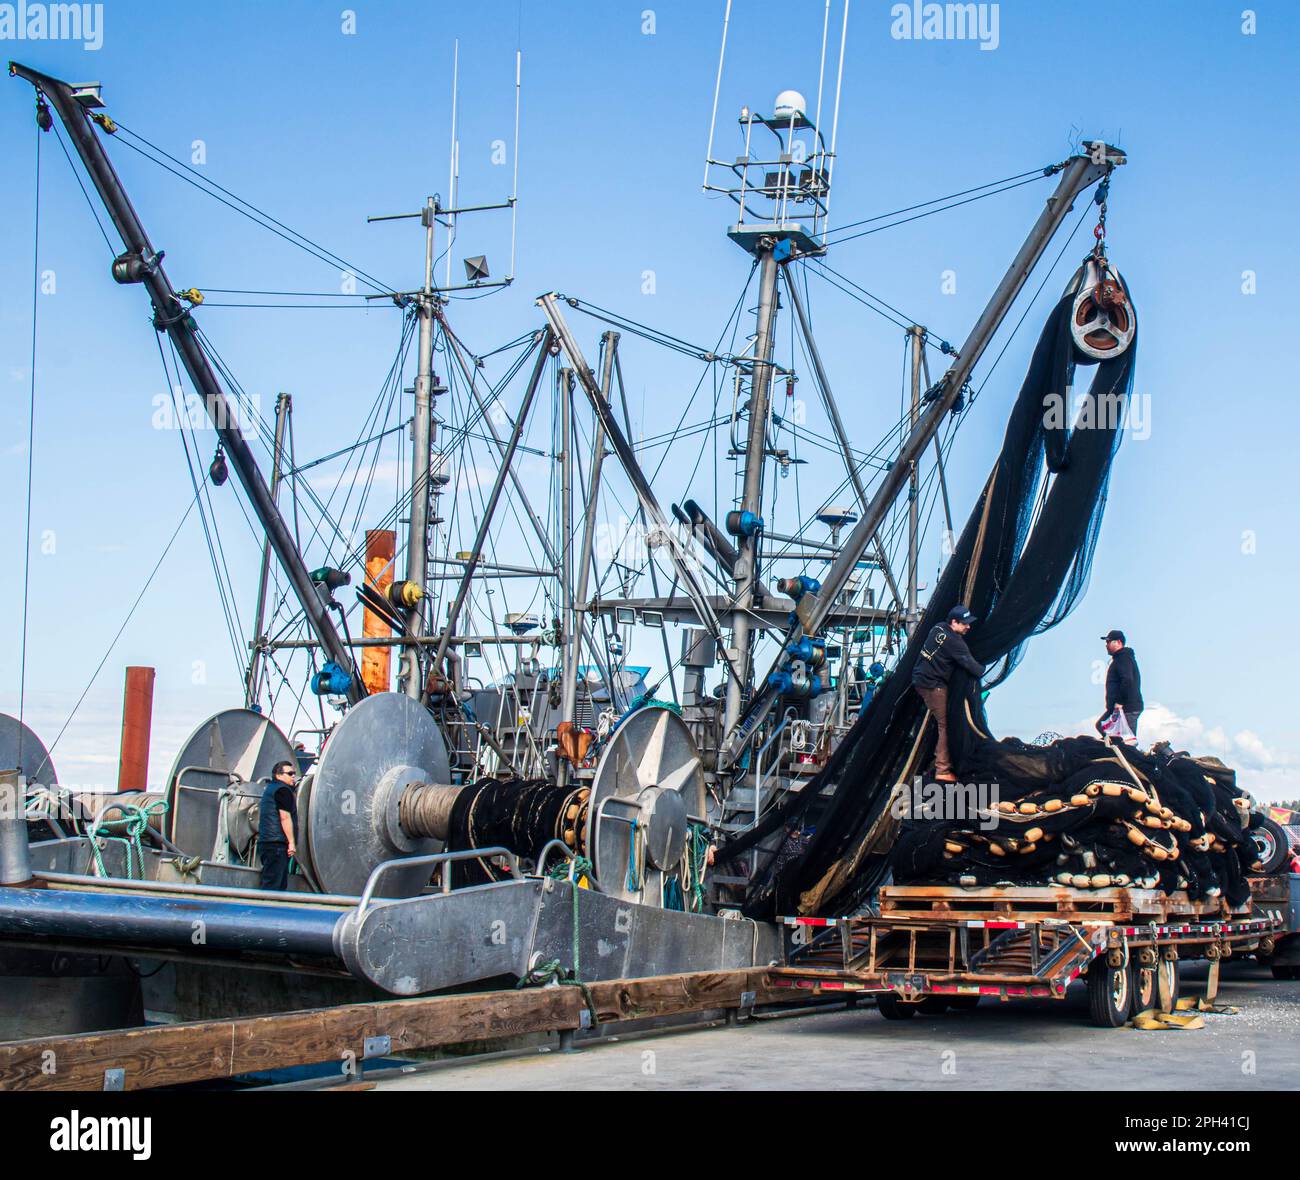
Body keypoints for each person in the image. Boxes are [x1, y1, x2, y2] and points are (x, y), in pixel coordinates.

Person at [912, 604, 984, 784]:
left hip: (919, 679)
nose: (968, 627)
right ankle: (942, 769)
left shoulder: (937, 628)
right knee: (945, 725)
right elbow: (974, 667)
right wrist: (984, 667)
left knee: (942, 721)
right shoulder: (955, 643)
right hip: (933, 686)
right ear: (954, 622)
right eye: (965, 624)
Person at [257, 760, 298, 891]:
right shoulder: (283, 791)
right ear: (279, 775)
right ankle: (266, 910)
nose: (293, 776)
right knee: (274, 886)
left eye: (294, 774)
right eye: (290, 773)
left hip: (267, 842)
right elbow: (284, 817)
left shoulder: (270, 789)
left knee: (271, 881)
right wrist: (291, 842)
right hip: (277, 844)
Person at [1096, 628, 1143, 742]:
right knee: (1101, 726)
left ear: (1118, 642)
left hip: (1127, 707)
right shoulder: (1120, 659)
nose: (1106, 645)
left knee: (1127, 741)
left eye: (1108, 641)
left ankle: (1129, 757)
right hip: (1117, 708)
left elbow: (1127, 680)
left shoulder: (1123, 658)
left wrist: (1120, 702)